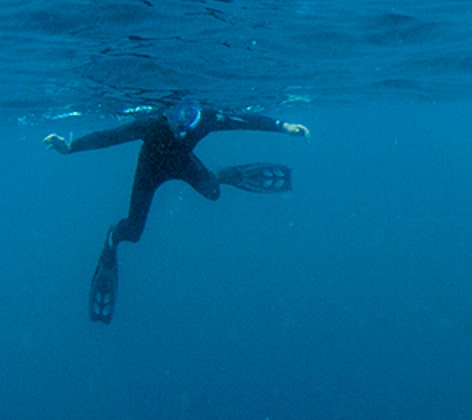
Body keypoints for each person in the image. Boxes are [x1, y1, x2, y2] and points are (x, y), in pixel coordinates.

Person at [46, 98, 309, 323]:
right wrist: (70, 148)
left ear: (195, 113)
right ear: (164, 113)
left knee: (213, 193)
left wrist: (282, 127)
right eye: (172, 115)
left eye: (187, 115)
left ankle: (220, 175)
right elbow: (110, 137)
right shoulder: (151, 124)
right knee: (134, 232)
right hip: (150, 171)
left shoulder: (207, 118)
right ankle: (112, 238)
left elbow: (241, 120)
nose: (179, 123)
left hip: (183, 163)